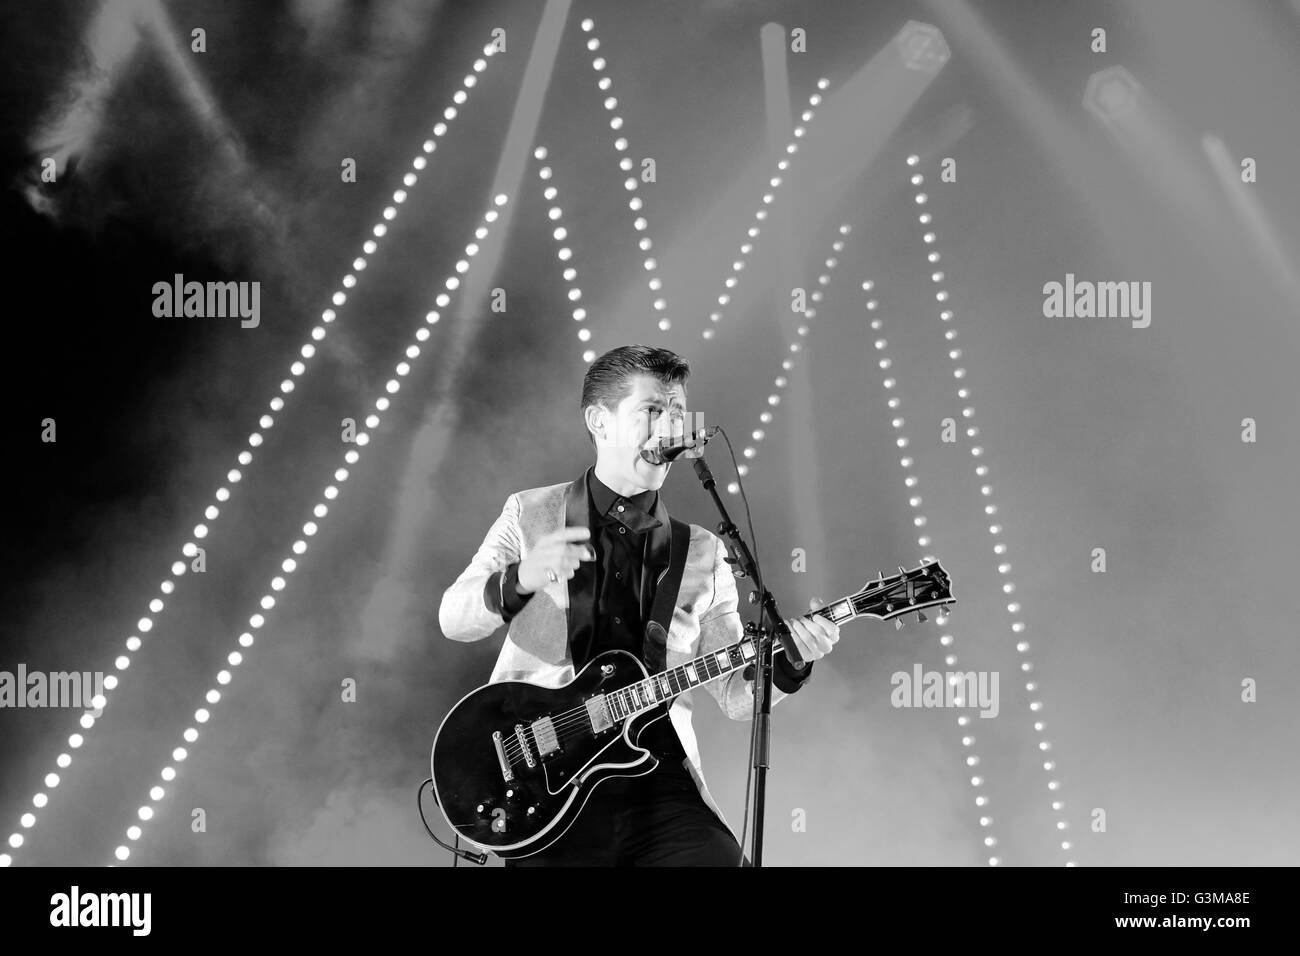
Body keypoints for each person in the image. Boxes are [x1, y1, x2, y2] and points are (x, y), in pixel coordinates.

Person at [438, 344, 839, 865]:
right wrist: (521, 578)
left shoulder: (701, 550)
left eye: (677, 413)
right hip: (546, 784)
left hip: (657, 779)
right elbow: (454, 618)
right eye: (652, 412)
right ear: (599, 421)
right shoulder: (531, 512)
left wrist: (789, 666)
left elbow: (735, 696)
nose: (669, 429)